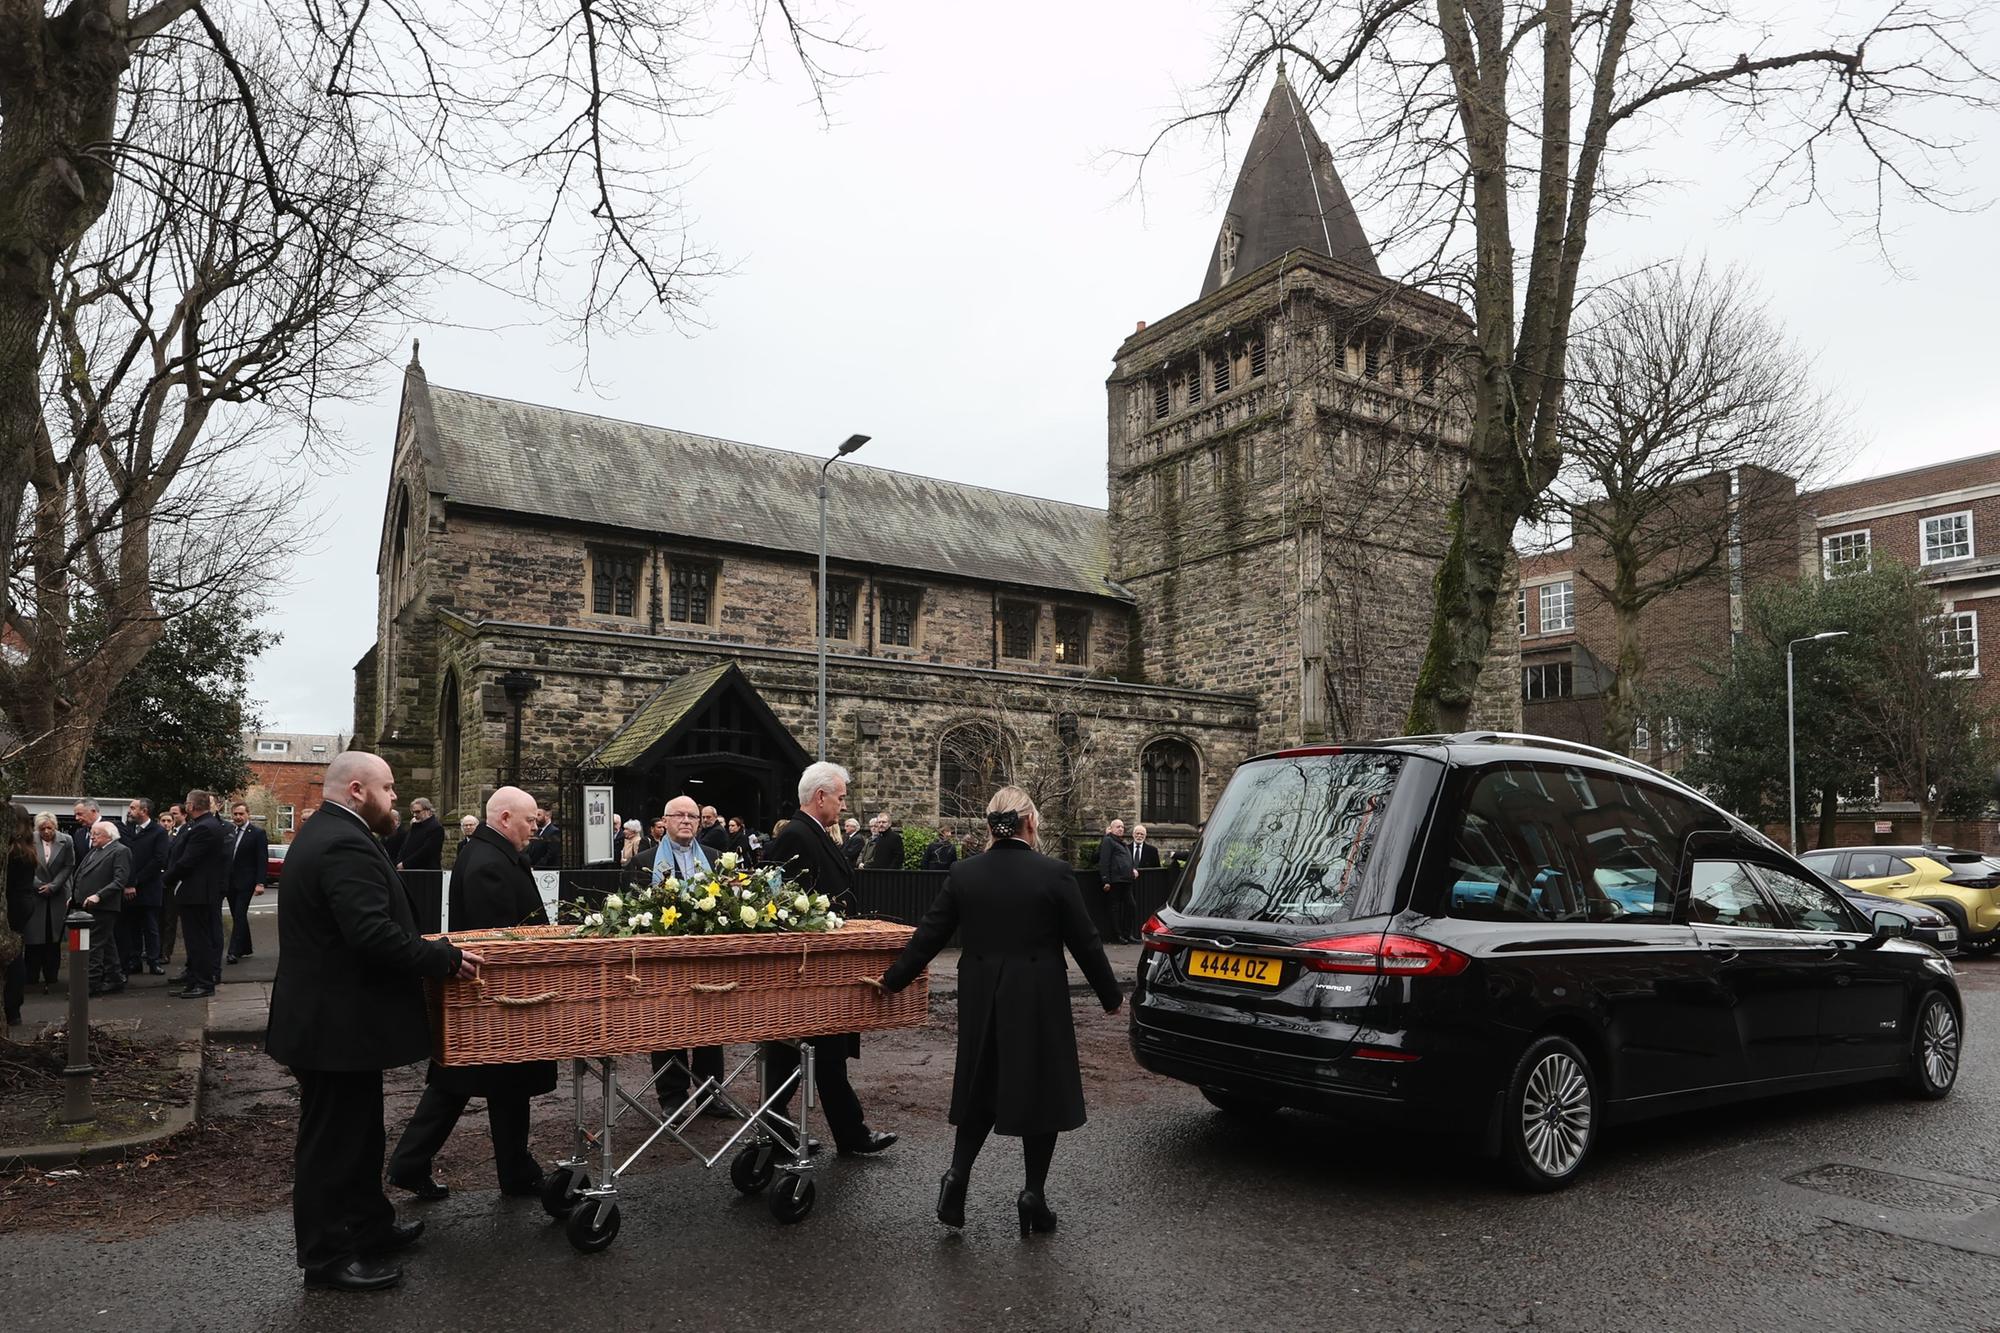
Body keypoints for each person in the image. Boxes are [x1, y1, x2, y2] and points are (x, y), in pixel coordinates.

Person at [266, 750, 479, 1293]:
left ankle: (369, 1225)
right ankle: (327, 1256)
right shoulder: (342, 841)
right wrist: (441, 958)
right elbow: (371, 933)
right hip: (333, 1025)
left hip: (340, 1024)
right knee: (333, 1142)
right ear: (357, 790)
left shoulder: (336, 833)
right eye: (387, 788)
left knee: (360, 1132)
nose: (395, 798)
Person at [876, 787, 1120, 1235]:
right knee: (1040, 1089)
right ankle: (1032, 1195)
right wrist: (1110, 996)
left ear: (990, 825)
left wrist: (893, 980)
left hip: (981, 994)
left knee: (979, 1085)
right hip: (1038, 995)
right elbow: (1085, 941)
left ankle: (957, 1176)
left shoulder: (965, 872)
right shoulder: (1054, 873)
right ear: (1031, 821)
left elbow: (930, 934)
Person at [390, 788, 552, 1200]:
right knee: (469, 1082)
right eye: (529, 820)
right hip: (494, 994)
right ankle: (416, 1164)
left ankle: (513, 1170)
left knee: (491, 1083)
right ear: (505, 818)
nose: (534, 828)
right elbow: (500, 937)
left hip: (489, 994)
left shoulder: (489, 854)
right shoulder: (488, 863)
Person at [761, 762, 896, 1157]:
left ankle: (846, 1133)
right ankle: (779, 1132)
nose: (844, 804)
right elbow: (785, 902)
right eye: (840, 797)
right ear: (820, 797)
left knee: (828, 1055)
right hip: (807, 968)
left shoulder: (812, 832)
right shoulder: (796, 835)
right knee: (791, 1055)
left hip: (825, 966)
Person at [646, 796, 725, 1113]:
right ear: (664, 821)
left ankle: (710, 1094)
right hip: (664, 962)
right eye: (678, 815)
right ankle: (673, 1098)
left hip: (708, 959)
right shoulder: (643, 861)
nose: (686, 820)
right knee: (667, 1027)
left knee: (710, 1026)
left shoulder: (715, 858)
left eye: (692, 815)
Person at [165, 791, 230, 999]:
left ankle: (204, 983)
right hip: (196, 891)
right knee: (194, 940)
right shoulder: (204, 825)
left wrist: (166, 878)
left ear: (192, 806)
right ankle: (194, 980)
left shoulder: (204, 827)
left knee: (198, 940)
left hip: (198, 892)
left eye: (187, 803)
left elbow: (188, 860)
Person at [71, 819, 132, 997]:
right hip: (88, 904)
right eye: (92, 833)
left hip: (104, 906)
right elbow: (81, 874)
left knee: (94, 945)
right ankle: (115, 978)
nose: (92, 837)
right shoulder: (95, 851)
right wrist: (74, 896)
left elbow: (120, 880)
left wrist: (99, 895)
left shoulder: (120, 851)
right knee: (107, 943)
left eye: (96, 834)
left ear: (109, 836)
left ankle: (90, 983)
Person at [22, 814, 74, 992]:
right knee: (33, 937)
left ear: (55, 827)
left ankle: (51, 975)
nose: (46, 832)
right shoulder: (28, 840)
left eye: (49, 828)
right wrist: (38, 885)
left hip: (57, 894)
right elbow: (24, 865)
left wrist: (54, 886)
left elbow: (68, 865)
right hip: (34, 893)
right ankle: (31, 975)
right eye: (42, 828)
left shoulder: (66, 841)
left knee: (54, 937)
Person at [121, 799, 170, 976]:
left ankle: (153, 960)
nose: (130, 811)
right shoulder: (128, 830)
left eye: (133, 808)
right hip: (129, 887)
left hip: (149, 887)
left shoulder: (158, 832)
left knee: (151, 927)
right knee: (132, 926)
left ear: (144, 810)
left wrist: (136, 881)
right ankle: (134, 959)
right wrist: (129, 882)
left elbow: (159, 859)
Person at [4, 805, 41, 1023]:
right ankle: (13, 1008)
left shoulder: (13, 851)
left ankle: (11, 1006)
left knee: (11, 955)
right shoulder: (27, 847)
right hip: (24, 902)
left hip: (14, 902)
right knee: (16, 953)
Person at [225, 802, 270, 964]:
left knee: (239, 914)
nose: (238, 817)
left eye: (241, 814)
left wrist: (260, 882)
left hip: (246, 882)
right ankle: (246, 947)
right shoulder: (230, 832)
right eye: (235, 814)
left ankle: (233, 951)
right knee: (237, 915)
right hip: (230, 882)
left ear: (248, 814)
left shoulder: (257, 833)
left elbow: (262, 859)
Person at [1097, 818, 1139, 944]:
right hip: (1115, 880)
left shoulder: (1121, 842)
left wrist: (1132, 869)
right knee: (1114, 908)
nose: (1121, 829)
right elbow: (1104, 861)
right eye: (1118, 827)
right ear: (1111, 829)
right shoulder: (1108, 840)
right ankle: (1118, 935)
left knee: (1131, 906)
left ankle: (1128, 934)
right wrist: (1106, 880)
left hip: (1126, 880)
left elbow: (1126, 859)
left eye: (1122, 827)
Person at [398, 799, 445, 872]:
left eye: (418, 812)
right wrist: (400, 861)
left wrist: (405, 864)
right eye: (413, 812)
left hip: (425, 872)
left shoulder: (436, 828)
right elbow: (405, 846)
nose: (414, 815)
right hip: (410, 870)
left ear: (428, 811)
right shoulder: (416, 826)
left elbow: (427, 852)